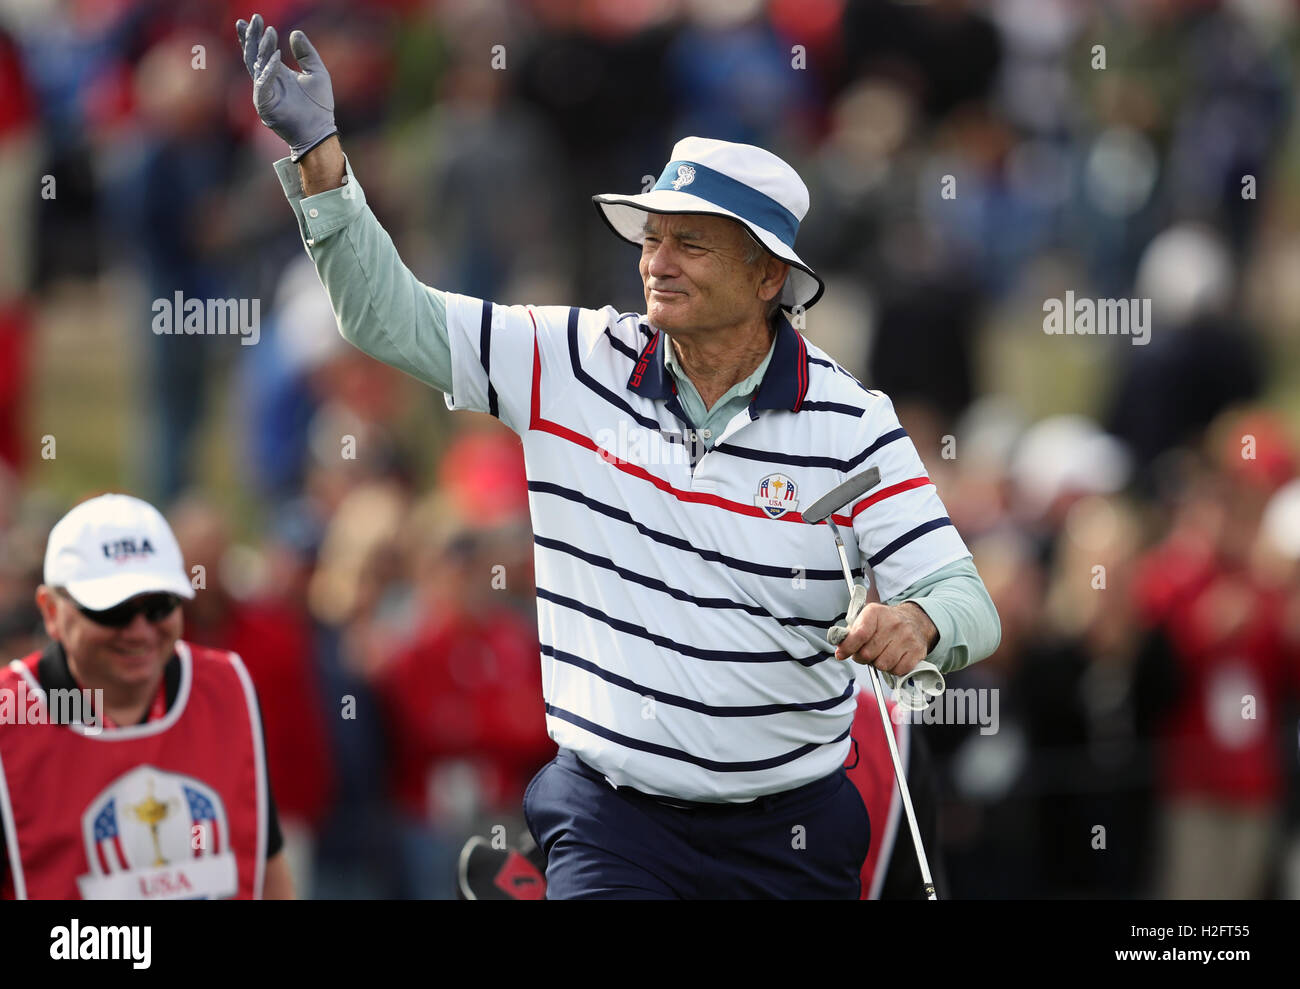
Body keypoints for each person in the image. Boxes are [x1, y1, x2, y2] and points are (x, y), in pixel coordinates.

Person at [236, 14, 1000, 899]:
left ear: (766, 279)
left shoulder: (851, 420)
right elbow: (387, 317)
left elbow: (966, 598)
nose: (656, 262)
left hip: (790, 827)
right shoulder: (565, 358)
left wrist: (922, 625)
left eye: (689, 242)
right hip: (615, 815)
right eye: (650, 237)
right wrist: (325, 162)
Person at [0, 494, 293, 899]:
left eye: (159, 605)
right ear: (51, 611)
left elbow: (267, 863)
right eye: (113, 610)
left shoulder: (228, 687)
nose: (139, 631)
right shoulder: (11, 717)